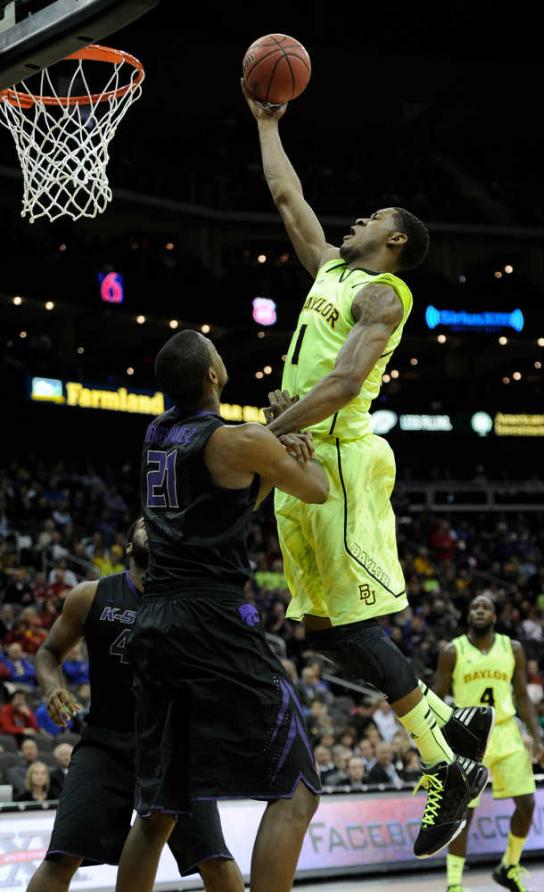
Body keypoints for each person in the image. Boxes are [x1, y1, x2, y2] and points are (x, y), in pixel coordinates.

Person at [241, 80, 491, 857]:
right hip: (299, 453)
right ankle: (449, 723)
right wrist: (267, 122)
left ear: (394, 243)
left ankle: (446, 763)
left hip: (337, 460)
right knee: (316, 629)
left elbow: (346, 384)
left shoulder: (386, 293)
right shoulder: (329, 272)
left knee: (351, 623)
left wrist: (267, 429)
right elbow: (288, 198)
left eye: (373, 219)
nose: (356, 220)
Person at [116, 330, 329, 892]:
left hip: (156, 618)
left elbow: (230, 498)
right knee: (298, 785)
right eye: (217, 349)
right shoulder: (238, 440)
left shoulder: (157, 431)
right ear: (212, 375)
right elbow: (317, 489)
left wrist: (270, 446)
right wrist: (296, 440)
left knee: (159, 810)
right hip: (211, 620)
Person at [29, 517, 244, 892]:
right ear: (130, 547)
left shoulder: (191, 602)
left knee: (214, 858)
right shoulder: (89, 595)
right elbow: (48, 653)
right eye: (145, 524)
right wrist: (51, 688)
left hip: (172, 747)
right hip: (105, 744)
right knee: (60, 857)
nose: (153, 525)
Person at [435, 594, 544, 892]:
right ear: (468, 615)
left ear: (495, 616)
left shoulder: (513, 648)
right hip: (469, 735)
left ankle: (508, 867)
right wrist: (435, 740)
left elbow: (522, 695)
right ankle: (454, 884)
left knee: (527, 803)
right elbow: (435, 698)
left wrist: (537, 736)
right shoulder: (452, 651)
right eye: (475, 607)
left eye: (486, 607)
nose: (480, 611)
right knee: (463, 812)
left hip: (506, 731)